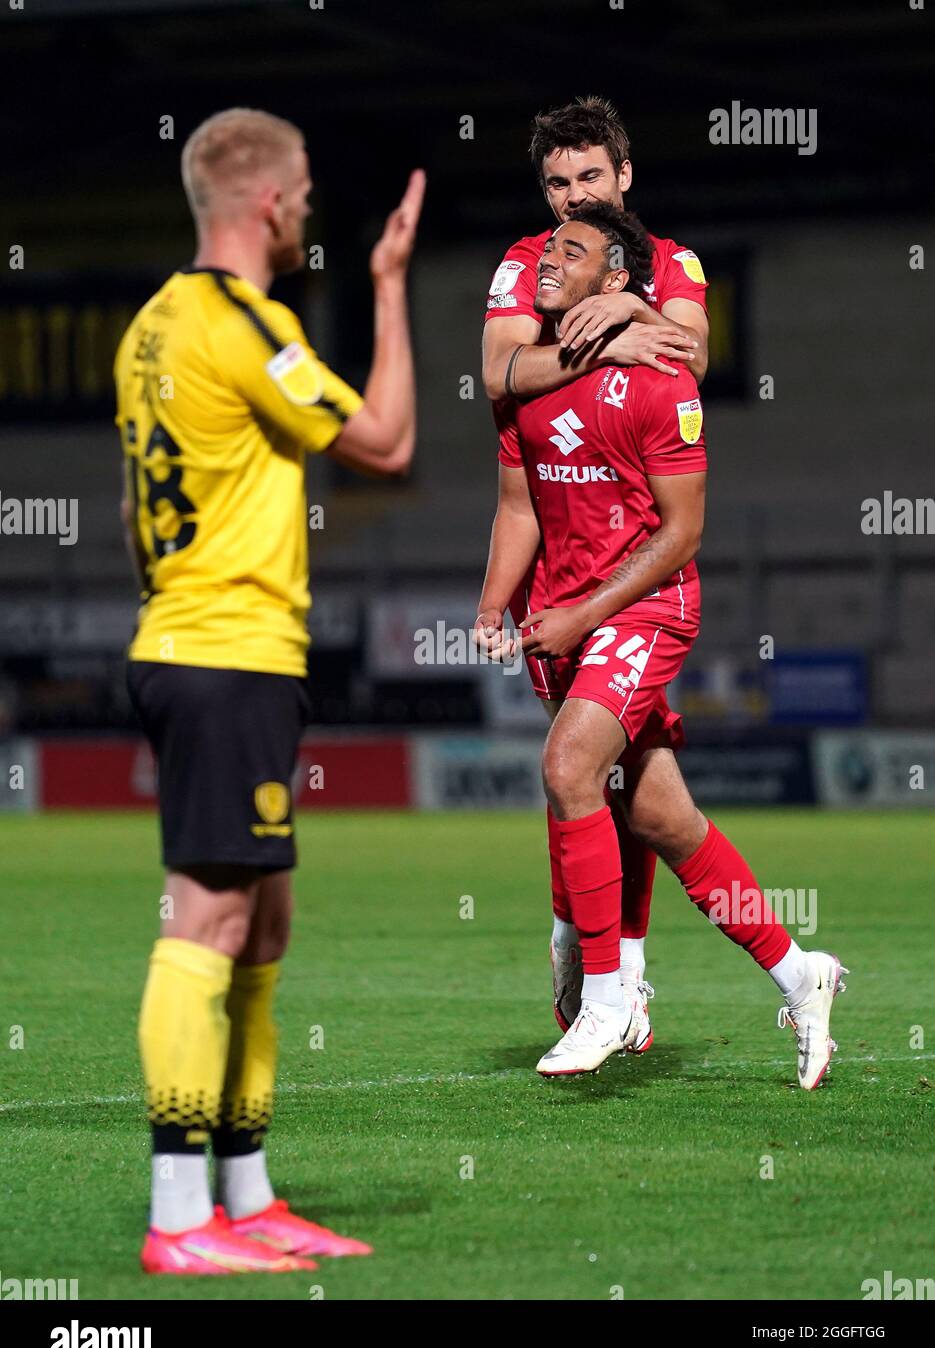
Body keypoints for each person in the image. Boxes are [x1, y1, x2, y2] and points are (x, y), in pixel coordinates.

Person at [115, 107, 424, 1274]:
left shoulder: (152, 325)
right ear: (262, 203)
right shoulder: (247, 323)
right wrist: (389, 284)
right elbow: (387, 438)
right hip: (222, 652)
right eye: (297, 192)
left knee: (262, 925)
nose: (307, 210)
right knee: (208, 919)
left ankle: (242, 1195)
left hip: (216, 646)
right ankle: (178, 1220)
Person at [475, 202, 847, 1086]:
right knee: (659, 817)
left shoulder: (661, 378)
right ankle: (802, 977)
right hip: (562, 621)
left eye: (571, 249)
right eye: (545, 245)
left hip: (647, 611)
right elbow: (520, 505)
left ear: (615, 279)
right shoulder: (528, 383)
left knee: (568, 769)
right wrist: (496, 606)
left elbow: (681, 535)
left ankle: (609, 996)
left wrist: (577, 617)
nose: (545, 258)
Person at [481, 96, 710, 1050]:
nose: (572, 194)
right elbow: (498, 372)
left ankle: (618, 978)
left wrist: (628, 303)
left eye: (589, 177)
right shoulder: (530, 264)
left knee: (586, 767)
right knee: (620, 782)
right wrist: (613, 325)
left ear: (624, 175)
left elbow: (690, 353)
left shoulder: (672, 263)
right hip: (557, 576)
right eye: (556, 182)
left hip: (637, 575)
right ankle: (628, 963)